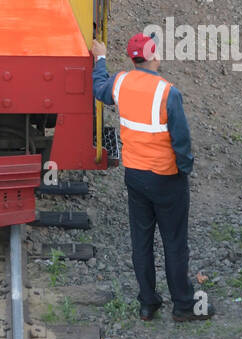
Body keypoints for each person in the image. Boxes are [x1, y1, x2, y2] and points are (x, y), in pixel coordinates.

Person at [91, 33, 213, 323]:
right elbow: (181, 140)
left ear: (134, 59)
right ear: (154, 57)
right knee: (173, 243)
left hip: (135, 177)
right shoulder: (167, 92)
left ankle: (148, 303)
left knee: (141, 241)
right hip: (166, 178)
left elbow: (98, 88)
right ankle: (183, 305)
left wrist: (100, 58)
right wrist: (185, 169)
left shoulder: (120, 83)